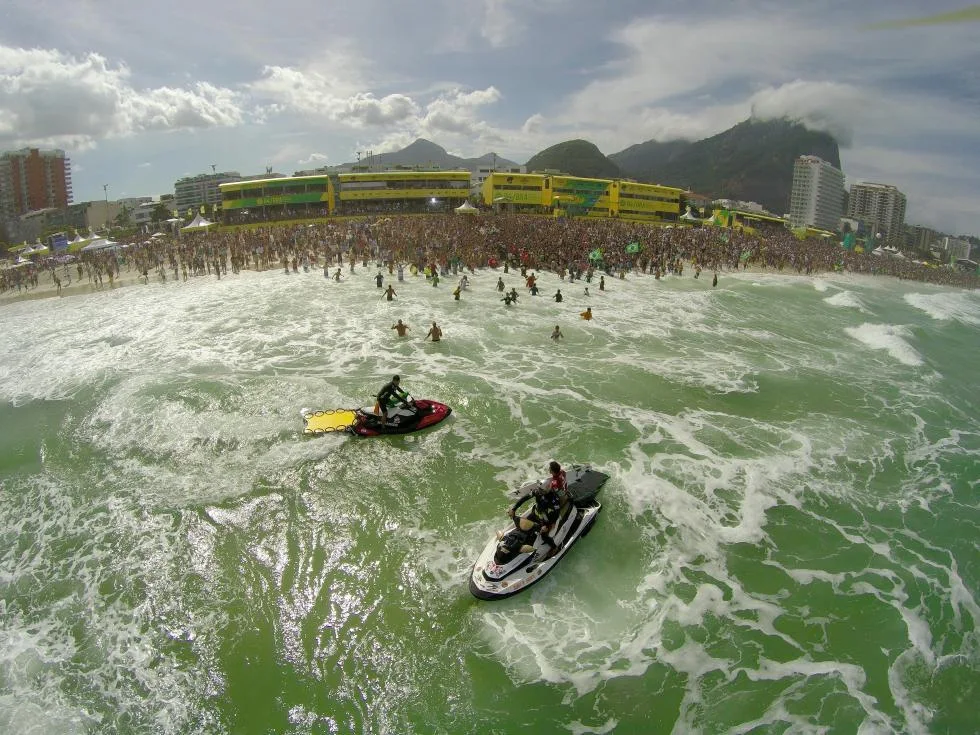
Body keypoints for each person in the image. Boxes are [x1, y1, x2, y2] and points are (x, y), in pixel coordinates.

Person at [507, 461, 567, 559]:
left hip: (546, 519)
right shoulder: (537, 492)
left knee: (543, 535)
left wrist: (550, 524)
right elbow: (525, 498)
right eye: (539, 489)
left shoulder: (553, 499)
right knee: (523, 526)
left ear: (547, 490)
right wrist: (514, 508)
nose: (538, 492)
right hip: (536, 513)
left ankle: (554, 547)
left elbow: (556, 512)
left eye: (541, 491)